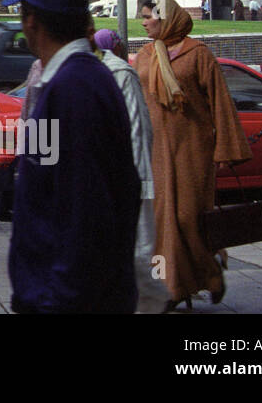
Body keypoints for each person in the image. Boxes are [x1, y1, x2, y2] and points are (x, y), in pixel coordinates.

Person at [3, 0, 140, 314]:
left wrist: (57, 300)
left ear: (31, 20)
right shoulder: (76, 80)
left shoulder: (74, 88)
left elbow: (86, 210)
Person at [138, 0, 252, 311]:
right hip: (157, 151)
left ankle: (211, 272)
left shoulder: (198, 54)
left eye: (148, 16)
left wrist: (226, 149)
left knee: (188, 218)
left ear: (166, 18)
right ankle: (170, 288)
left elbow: (220, 102)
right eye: (142, 17)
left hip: (192, 150)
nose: (144, 23)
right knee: (163, 221)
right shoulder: (145, 56)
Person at [92, 27, 168, 314]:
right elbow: (138, 128)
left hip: (112, 176)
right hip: (125, 176)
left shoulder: (101, 72)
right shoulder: (118, 72)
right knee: (139, 242)